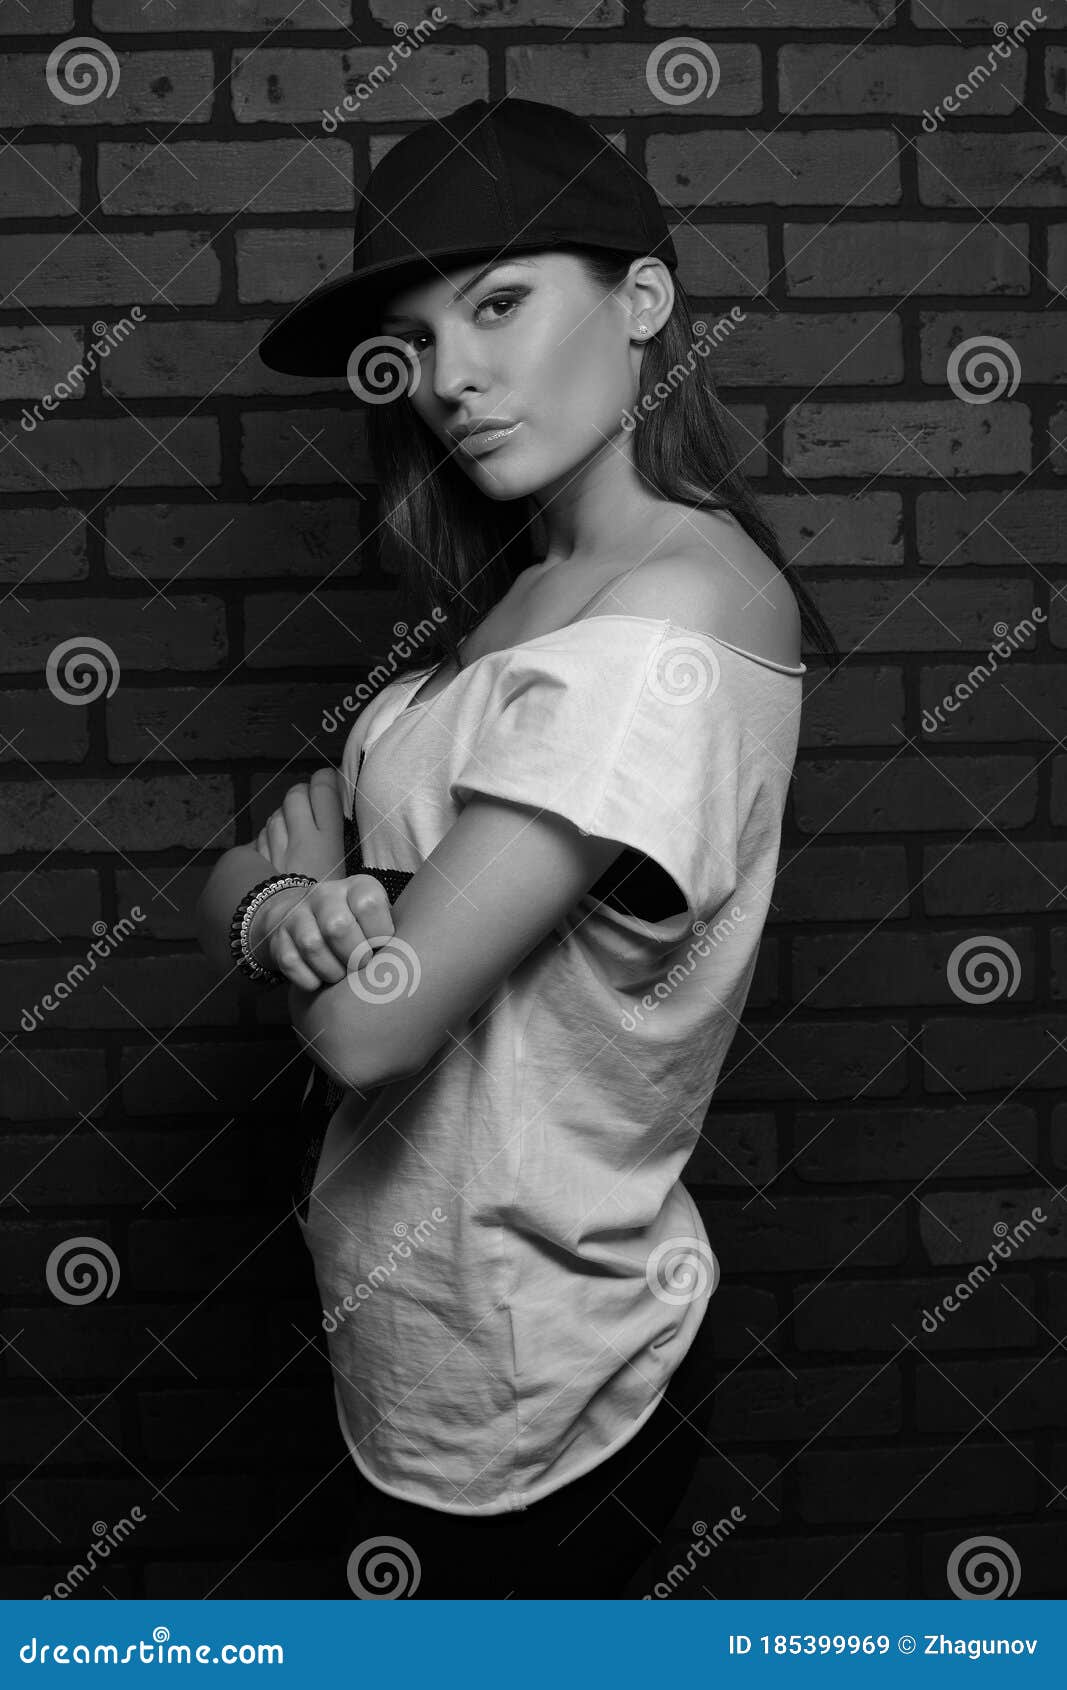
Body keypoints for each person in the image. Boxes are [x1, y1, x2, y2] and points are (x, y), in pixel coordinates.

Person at [196, 96, 841, 1599]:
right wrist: (277, 898)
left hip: (544, 1388)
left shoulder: (662, 626)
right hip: (416, 1345)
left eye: (497, 304)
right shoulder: (537, 589)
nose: (450, 379)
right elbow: (250, 883)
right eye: (415, 340)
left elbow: (367, 1022)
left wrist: (288, 899)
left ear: (644, 303)